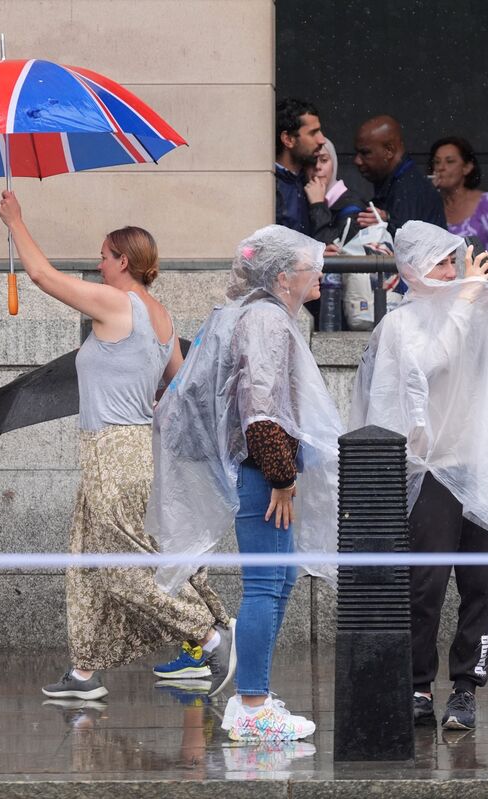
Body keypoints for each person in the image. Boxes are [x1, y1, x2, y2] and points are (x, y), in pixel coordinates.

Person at [0, 189, 234, 701]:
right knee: (87, 562)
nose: (97, 264)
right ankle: (84, 671)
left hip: (113, 454)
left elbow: (42, 277)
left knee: (119, 567)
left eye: (103, 256)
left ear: (124, 262)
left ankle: (212, 636)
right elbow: (177, 383)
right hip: (127, 450)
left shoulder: (117, 302)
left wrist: (15, 221)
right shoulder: (160, 315)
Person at [147, 225, 344, 742]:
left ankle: (252, 696)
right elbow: (260, 409)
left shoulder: (261, 316)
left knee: (279, 581)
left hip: (262, 467)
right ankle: (253, 704)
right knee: (265, 585)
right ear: (283, 277)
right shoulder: (264, 321)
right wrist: (282, 477)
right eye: (309, 267)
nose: (319, 274)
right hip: (262, 470)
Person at [352, 220, 488, 731]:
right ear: (411, 270)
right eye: (439, 261)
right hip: (429, 470)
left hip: (476, 463)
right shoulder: (399, 326)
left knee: (480, 581)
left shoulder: (475, 308)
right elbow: (425, 369)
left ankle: (465, 687)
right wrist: (467, 302)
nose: (452, 270)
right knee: (424, 584)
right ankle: (416, 685)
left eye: (455, 259)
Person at [354, 115, 446, 235]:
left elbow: (407, 244)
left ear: (389, 151)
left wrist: (386, 223)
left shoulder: (409, 189)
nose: (357, 161)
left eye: (365, 153)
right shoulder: (404, 183)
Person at [429, 136, 488, 255]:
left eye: (450, 161)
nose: (441, 167)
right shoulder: (429, 205)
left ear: (467, 168)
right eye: (437, 162)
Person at [275, 98, 326, 236]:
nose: (322, 140)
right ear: (288, 140)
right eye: (313, 133)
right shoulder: (270, 187)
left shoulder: (307, 182)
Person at [305, 137, 365, 246]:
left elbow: (333, 250)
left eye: (324, 160)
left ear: (334, 164)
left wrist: (318, 206)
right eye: (312, 161)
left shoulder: (352, 206)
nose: (318, 167)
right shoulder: (302, 198)